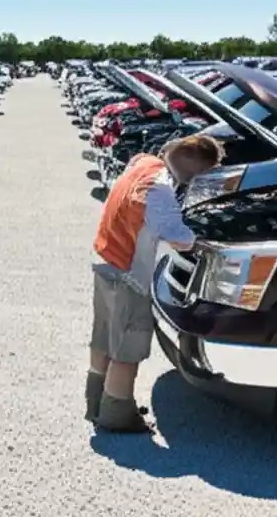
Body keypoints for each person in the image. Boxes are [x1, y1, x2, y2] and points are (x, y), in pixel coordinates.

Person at [86, 134, 224, 432]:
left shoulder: (143, 164)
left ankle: (95, 401)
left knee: (105, 336)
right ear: (195, 165)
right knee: (128, 348)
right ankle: (116, 414)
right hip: (130, 275)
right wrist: (204, 242)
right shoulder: (160, 189)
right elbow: (174, 233)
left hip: (105, 261)